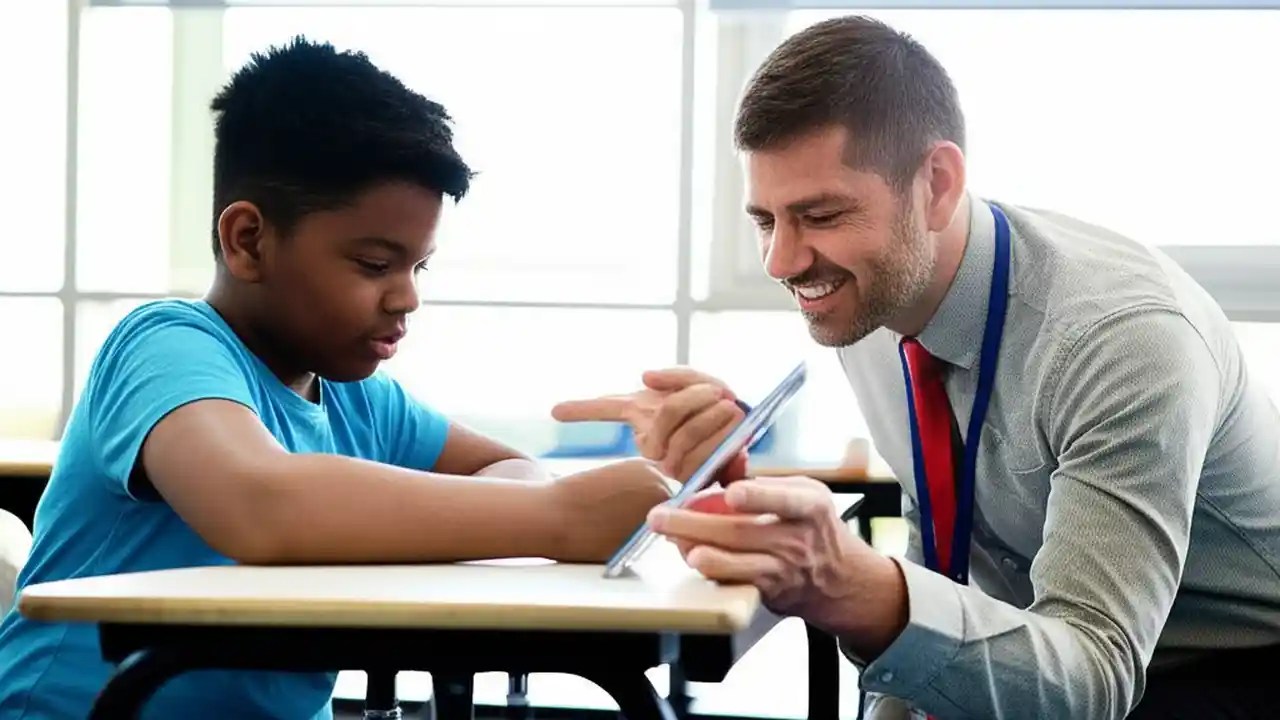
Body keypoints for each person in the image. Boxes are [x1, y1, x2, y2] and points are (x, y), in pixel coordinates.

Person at [552, 15, 1280, 720]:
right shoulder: (877, 301)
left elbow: (1093, 680)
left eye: (822, 215)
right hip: (1052, 653)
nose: (781, 262)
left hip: (1230, 669)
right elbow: (942, 557)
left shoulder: (1118, 341)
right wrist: (737, 489)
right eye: (765, 220)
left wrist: (852, 586)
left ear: (935, 184)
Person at [0, 37, 672, 720]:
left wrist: (526, 510)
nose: (407, 297)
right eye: (376, 264)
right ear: (248, 241)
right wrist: (558, 518)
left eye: (419, 268)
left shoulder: (359, 398)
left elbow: (503, 465)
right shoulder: (165, 347)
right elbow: (259, 505)